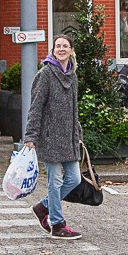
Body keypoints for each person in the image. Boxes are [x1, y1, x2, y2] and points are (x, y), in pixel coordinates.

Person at [23, 34, 86, 239]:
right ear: (53, 50)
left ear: (71, 51)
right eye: (58, 46)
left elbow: (73, 109)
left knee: (75, 179)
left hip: (68, 138)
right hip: (49, 137)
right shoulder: (46, 74)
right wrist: (31, 135)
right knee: (54, 182)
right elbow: (36, 107)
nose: (61, 49)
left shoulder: (73, 76)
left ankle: (43, 207)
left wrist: (77, 133)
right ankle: (57, 225)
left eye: (65, 46)